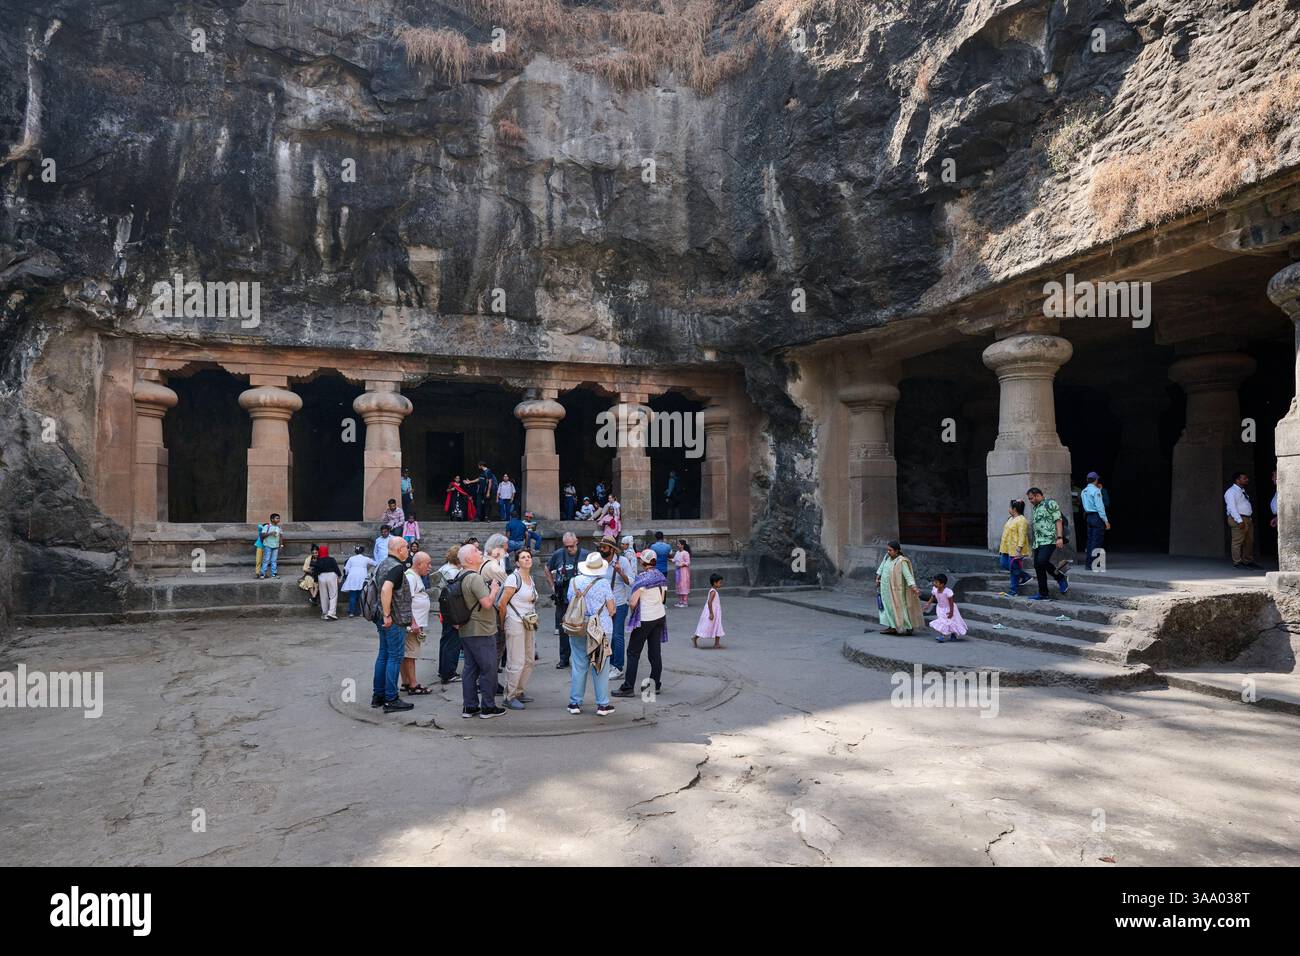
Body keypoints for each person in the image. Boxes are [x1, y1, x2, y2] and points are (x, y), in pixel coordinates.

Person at [455, 543, 505, 718]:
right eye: (476, 551)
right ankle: (488, 706)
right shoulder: (474, 578)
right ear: (469, 559)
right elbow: (487, 604)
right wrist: (494, 590)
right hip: (482, 629)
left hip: (466, 629)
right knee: (488, 668)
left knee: (470, 669)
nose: (480, 552)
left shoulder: (460, 575)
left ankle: (470, 706)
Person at [565, 551, 617, 717]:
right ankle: (602, 704)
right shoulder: (604, 583)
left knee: (579, 664)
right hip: (600, 629)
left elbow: (569, 600)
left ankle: (575, 702)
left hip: (578, 626)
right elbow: (611, 609)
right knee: (600, 666)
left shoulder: (574, 581)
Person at [614, 549, 667, 698]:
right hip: (659, 616)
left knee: (633, 652)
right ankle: (654, 684)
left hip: (645, 618)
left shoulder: (642, 579)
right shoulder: (661, 576)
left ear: (643, 562)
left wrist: (634, 612)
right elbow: (663, 599)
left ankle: (628, 687)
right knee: (655, 652)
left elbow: (632, 602)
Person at [371, 535, 415, 714]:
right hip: (394, 619)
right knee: (395, 657)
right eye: (406, 547)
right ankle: (391, 698)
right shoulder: (396, 567)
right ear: (399, 550)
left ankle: (378, 695)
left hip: (382, 617)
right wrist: (388, 614)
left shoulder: (382, 564)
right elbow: (386, 589)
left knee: (383, 655)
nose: (408, 550)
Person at [498, 548, 539, 710]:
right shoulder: (513, 579)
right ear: (517, 562)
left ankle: (519, 691)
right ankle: (509, 695)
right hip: (515, 622)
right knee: (516, 660)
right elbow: (502, 603)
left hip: (529, 622)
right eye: (523, 557)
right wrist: (502, 624)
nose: (527, 559)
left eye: (529, 557)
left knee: (529, 659)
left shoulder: (530, 578)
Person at [546, 532, 587, 669]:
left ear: (577, 542)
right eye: (566, 547)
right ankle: (564, 658)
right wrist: (552, 585)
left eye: (572, 546)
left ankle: (582, 658)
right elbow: (547, 568)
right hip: (562, 599)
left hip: (581, 600)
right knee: (563, 630)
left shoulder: (586, 555)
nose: (569, 549)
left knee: (582, 629)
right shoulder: (558, 554)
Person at [598, 535, 634, 680]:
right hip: (603, 606)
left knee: (618, 636)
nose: (602, 549)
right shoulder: (598, 561)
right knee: (606, 635)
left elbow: (631, 581)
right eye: (601, 547)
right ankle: (608, 663)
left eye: (604, 547)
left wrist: (621, 572)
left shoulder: (623, 561)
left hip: (619, 604)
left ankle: (618, 667)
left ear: (612, 549)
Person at [401, 551, 435, 696]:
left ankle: (406, 682)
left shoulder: (415, 577)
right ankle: (413, 684)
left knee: (407, 654)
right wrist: (413, 622)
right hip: (412, 624)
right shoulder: (410, 577)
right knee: (411, 654)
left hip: (414, 623)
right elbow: (405, 602)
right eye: (428, 564)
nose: (430, 567)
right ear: (418, 564)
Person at [1025, 487, 1069, 600]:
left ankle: (1060, 578)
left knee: (1042, 561)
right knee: (1038, 566)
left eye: (1031, 498)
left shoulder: (1050, 503)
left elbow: (1058, 520)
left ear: (1037, 495)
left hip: (1050, 539)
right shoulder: (1035, 507)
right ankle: (1043, 593)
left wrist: (1059, 537)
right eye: (1029, 499)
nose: (1030, 501)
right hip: (1038, 542)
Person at [874, 541, 923, 635]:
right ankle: (892, 627)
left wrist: (913, 587)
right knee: (888, 607)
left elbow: (907, 575)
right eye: (887, 550)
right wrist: (877, 578)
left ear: (896, 551)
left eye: (890, 550)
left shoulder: (902, 561)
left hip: (897, 590)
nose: (888, 552)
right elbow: (881, 567)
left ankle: (909, 627)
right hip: (885, 588)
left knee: (900, 607)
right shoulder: (887, 557)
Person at [435, 545, 463, 685]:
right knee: (452, 642)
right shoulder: (453, 573)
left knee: (446, 640)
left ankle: (443, 670)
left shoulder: (443, 568)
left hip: (444, 608)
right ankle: (449, 672)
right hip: (452, 610)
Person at [998, 500, 1033, 596]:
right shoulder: (1011, 519)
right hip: (1006, 548)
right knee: (1004, 564)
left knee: (1013, 569)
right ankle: (1025, 576)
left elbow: (1022, 535)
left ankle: (1013, 591)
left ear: (1014, 509)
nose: (1008, 509)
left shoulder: (1022, 520)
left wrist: (1019, 549)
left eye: (1010, 507)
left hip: (1015, 549)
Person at [1225, 472, 1257, 569]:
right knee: (1237, 541)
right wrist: (1239, 520)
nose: (1247, 479)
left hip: (1246, 518)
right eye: (1244, 478)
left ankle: (1247, 561)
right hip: (1238, 518)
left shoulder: (1242, 491)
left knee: (1249, 541)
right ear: (1237, 480)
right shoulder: (1231, 492)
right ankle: (1237, 562)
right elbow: (1232, 507)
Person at [923, 574, 967, 643]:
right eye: (934, 582)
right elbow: (933, 597)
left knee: (951, 622)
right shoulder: (935, 590)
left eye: (936, 582)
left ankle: (951, 634)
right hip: (940, 609)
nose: (934, 584)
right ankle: (942, 636)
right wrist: (928, 603)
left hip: (949, 609)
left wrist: (951, 612)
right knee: (942, 622)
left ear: (942, 584)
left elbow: (951, 603)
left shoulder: (947, 592)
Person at [1081, 471, 1110, 571]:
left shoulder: (1083, 491)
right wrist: (1106, 521)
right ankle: (1096, 564)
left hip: (1089, 517)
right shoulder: (1096, 491)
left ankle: (1088, 564)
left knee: (1090, 541)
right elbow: (1100, 507)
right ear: (1096, 480)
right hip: (1097, 517)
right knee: (1097, 541)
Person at [692, 573, 725, 649]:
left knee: (717, 626)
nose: (721, 584)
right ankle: (695, 637)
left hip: (716, 612)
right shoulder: (713, 592)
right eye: (720, 582)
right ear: (715, 583)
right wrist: (711, 613)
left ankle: (717, 643)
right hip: (712, 612)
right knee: (706, 626)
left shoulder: (714, 591)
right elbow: (709, 602)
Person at [342, 546, 374, 617]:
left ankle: (351, 612)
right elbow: (375, 563)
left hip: (352, 577)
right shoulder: (366, 558)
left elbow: (346, 569)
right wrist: (367, 568)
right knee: (361, 595)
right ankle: (361, 612)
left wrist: (347, 575)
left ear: (355, 552)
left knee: (352, 595)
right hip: (362, 577)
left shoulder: (351, 558)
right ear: (363, 551)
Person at [315, 545, 341, 620]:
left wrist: (316, 581)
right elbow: (336, 568)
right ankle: (331, 613)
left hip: (321, 577)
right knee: (333, 595)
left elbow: (315, 572)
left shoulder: (318, 560)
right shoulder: (331, 559)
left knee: (323, 596)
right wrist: (339, 576)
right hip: (331, 576)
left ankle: (325, 613)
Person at [258, 513, 282, 578]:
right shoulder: (267, 526)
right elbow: (263, 535)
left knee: (274, 560)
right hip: (268, 545)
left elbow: (280, 536)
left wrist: (281, 544)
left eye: (279, 518)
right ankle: (262, 573)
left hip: (276, 546)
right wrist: (270, 533)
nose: (278, 519)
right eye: (277, 518)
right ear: (272, 519)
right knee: (266, 559)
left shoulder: (279, 527)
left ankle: (274, 573)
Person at [672, 538, 692, 607]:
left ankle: (685, 602)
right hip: (678, 571)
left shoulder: (685, 553)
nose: (678, 545)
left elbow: (688, 562)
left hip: (684, 571)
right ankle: (680, 601)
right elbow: (674, 560)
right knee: (679, 585)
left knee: (684, 585)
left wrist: (682, 564)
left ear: (682, 545)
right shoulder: (677, 552)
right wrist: (668, 558)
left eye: (679, 544)